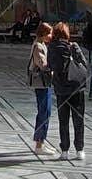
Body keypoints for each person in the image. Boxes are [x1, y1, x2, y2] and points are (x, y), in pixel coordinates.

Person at [48, 22, 87, 161]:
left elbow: (50, 66)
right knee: (78, 119)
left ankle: (64, 150)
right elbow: (84, 63)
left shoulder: (51, 48)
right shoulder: (73, 46)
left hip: (60, 89)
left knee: (63, 120)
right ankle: (79, 149)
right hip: (76, 88)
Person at [27, 22, 56, 157]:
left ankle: (41, 142)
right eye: (49, 33)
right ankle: (39, 144)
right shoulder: (38, 46)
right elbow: (43, 65)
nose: (51, 36)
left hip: (45, 83)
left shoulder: (42, 44)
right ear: (43, 33)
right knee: (44, 111)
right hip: (41, 83)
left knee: (46, 111)